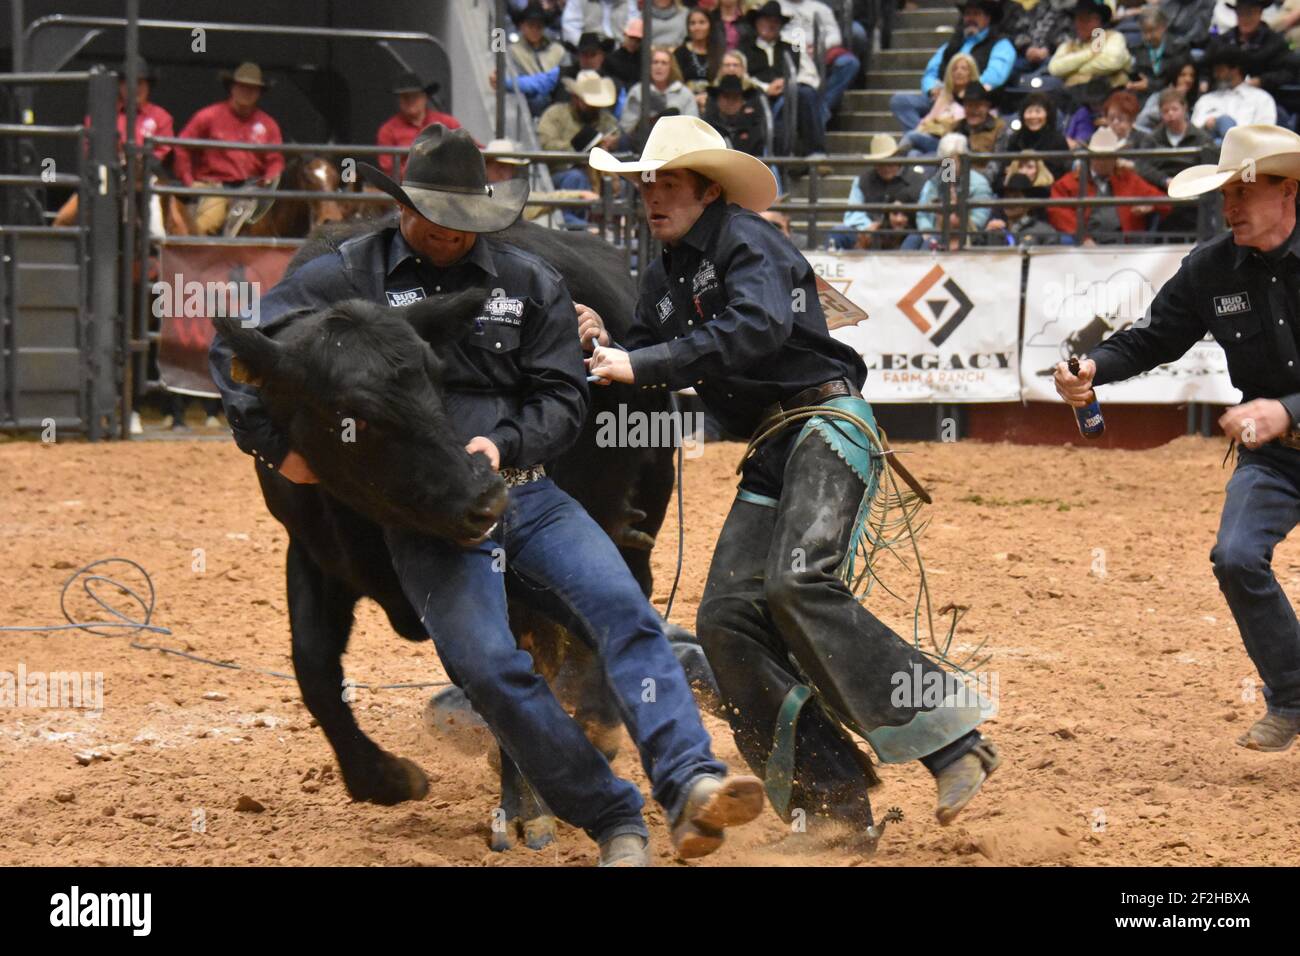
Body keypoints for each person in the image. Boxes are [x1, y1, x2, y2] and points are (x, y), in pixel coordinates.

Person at [208, 124, 766, 867]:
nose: (449, 237)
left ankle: (690, 779)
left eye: (465, 222)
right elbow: (240, 349)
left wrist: (507, 444)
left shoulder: (527, 280)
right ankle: (610, 812)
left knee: (625, 615)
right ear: (400, 207)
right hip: (426, 517)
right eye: (434, 220)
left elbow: (564, 394)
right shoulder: (346, 275)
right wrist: (278, 450)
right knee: (492, 668)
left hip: (530, 492)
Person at [584, 115, 1002, 843]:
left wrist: (641, 364)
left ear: (708, 190)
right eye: (645, 183)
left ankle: (952, 740)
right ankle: (833, 800)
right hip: (777, 444)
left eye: (668, 182)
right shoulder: (665, 274)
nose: (652, 196)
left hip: (825, 423)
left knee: (796, 583)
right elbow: (648, 351)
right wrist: (602, 342)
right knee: (724, 623)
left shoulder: (751, 242)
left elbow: (754, 330)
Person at [1055, 124, 1300, 753]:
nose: (1231, 205)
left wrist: (1288, 409)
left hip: (1275, 431)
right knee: (1236, 557)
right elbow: (1153, 337)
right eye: (1226, 193)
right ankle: (1294, 695)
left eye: (1245, 190)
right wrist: (1094, 368)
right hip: (1275, 457)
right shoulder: (1211, 267)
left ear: (1289, 190)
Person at [173, 62, 284, 237]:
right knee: (207, 223)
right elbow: (182, 146)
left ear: (259, 93)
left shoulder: (268, 124)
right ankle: (198, 257)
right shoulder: (208, 116)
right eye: (242, 87)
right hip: (216, 186)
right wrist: (189, 181)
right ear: (232, 88)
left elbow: (275, 159)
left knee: (271, 221)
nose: (246, 92)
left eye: (253, 89)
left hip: (252, 187)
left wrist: (271, 178)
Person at [890, 0, 1016, 134]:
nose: (970, 18)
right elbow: (931, 72)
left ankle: (918, 138)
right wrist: (932, 89)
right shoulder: (953, 44)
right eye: (967, 14)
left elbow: (994, 76)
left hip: (971, 103)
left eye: (976, 14)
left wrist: (964, 92)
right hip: (942, 98)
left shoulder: (1001, 44)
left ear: (988, 18)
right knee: (900, 101)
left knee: (914, 152)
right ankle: (926, 135)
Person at [1047, 127, 1169, 242]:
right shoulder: (1070, 182)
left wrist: (1152, 205)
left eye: (1109, 157)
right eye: (1099, 157)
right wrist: (1083, 237)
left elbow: (1164, 201)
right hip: (1085, 245)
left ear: (1116, 158)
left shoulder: (1129, 179)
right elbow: (1056, 210)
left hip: (1126, 247)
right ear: (1091, 158)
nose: (1104, 162)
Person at [742, 1, 828, 158]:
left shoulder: (793, 47)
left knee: (807, 94)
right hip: (756, 96)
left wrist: (788, 83)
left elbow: (810, 75)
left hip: (789, 97)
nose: (770, 24)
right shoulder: (744, 48)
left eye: (775, 21)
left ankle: (816, 152)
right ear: (756, 23)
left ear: (781, 25)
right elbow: (740, 76)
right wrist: (766, 88)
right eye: (765, 20)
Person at [1131, 87, 1216, 233]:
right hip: (1163, 194)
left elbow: (1212, 166)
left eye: (1174, 109)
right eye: (1165, 111)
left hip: (1194, 195)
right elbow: (1142, 166)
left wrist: (1191, 183)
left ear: (1184, 108)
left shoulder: (1202, 138)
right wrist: (1164, 179)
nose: (1170, 114)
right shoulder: (1152, 139)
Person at [829, 133, 924, 248]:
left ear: (897, 157)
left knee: (915, 238)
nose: (885, 167)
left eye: (889, 162)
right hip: (869, 233)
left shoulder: (917, 180)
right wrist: (868, 227)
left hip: (904, 233)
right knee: (839, 232)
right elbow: (852, 214)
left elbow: (923, 216)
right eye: (880, 163)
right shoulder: (862, 181)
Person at [780, 0, 863, 124]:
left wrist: (819, 46)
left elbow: (835, 35)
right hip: (789, 51)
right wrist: (798, 47)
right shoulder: (777, 6)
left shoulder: (820, 8)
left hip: (819, 50)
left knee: (849, 63)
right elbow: (774, 33)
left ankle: (820, 110)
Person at [914, 132, 995, 248]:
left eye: (953, 160)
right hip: (934, 232)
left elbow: (979, 218)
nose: (949, 166)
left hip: (965, 233)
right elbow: (922, 213)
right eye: (945, 161)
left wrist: (955, 225)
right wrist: (927, 231)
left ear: (962, 160)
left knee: (933, 243)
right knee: (914, 239)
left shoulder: (979, 183)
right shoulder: (933, 182)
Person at [375, 73, 462, 178]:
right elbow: (388, 169)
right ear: (399, 100)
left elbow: (472, 152)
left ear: (425, 97)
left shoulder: (449, 123)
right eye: (405, 97)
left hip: (446, 186)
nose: (410, 101)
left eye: (415, 96)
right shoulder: (387, 131)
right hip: (407, 189)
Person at [1206, 0, 1297, 98]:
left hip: (1265, 98)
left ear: (1260, 13)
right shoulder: (1222, 42)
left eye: (1251, 13)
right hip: (1222, 96)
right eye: (1242, 13)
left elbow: (1289, 72)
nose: (1246, 19)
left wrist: (1261, 81)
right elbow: (1206, 67)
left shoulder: (1275, 43)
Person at [499, 1, 571, 116]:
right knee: (537, 99)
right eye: (531, 26)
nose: (535, 30)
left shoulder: (557, 50)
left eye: (539, 27)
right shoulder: (513, 51)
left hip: (558, 96)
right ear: (522, 26)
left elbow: (566, 77)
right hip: (532, 99)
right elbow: (515, 77)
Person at [1192, 47, 1278, 143]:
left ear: (1235, 70)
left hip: (1248, 150)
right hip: (1210, 149)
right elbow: (1193, 129)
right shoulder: (1206, 100)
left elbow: (1266, 133)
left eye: (1220, 70)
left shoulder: (1261, 99)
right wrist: (1207, 124)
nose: (1215, 75)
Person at [1047, 0, 1133, 95]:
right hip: (1074, 96)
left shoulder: (1114, 37)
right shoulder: (1068, 45)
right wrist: (1090, 53)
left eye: (1085, 20)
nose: (1080, 25)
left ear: (1098, 20)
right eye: (1077, 19)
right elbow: (1054, 68)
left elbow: (1113, 61)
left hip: (1109, 93)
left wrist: (1072, 71)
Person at [899, 53, 976, 156]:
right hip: (935, 140)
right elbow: (928, 120)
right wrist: (923, 128)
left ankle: (895, 159)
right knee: (914, 154)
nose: (959, 72)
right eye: (955, 69)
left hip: (956, 144)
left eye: (964, 69)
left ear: (971, 73)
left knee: (911, 136)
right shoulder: (944, 96)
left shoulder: (976, 96)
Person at [621, 46, 701, 135]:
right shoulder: (637, 91)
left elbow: (693, 128)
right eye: (655, 62)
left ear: (671, 67)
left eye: (664, 63)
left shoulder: (685, 94)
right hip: (642, 142)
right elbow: (627, 127)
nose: (659, 67)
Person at [994, 90, 1072, 179]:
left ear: (1048, 115)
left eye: (1038, 112)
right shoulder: (1015, 139)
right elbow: (1005, 169)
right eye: (1029, 112)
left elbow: (1061, 173)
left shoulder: (1058, 140)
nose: (1033, 116)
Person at [1003, 0, 1075, 86]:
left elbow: (1073, 38)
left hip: (1053, 58)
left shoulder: (1077, 10)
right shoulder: (1041, 5)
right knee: (1003, 67)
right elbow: (1020, 28)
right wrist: (1027, 48)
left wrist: (1048, 49)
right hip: (1025, 54)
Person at [981, 171, 1061, 244]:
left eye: (1016, 197)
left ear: (1029, 203)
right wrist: (985, 234)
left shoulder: (1044, 232)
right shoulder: (994, 230)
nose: (1010, 202)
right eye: (1007, 197)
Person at [1128, 7, 1190, 97]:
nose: (1148, 37)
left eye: (1152, 31)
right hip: (1143, 98)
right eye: (1144, 32)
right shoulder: (1136, 49)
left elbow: (1179, 80)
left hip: (1173, 97)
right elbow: (1135, 76)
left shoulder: (1179, 48)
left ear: (1163, 27)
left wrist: (1150, 85)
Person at [703, 74, 769, 155]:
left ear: (742, 101)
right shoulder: (707, 127)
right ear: (718, 99)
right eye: (726, 97)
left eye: (735, 97)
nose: (731, 102)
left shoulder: (753, 127)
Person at [676, 8, 725, 109]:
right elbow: (676, 83)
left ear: (710, 25)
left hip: (713, 102)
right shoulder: (680, 52)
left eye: (702, 22)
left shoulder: (719, 53)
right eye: (692, 23)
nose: (697, 27)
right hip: (685, 102)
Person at [562, 0, 637, 45]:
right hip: (587, 53)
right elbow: (571, 29)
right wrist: (585, 49)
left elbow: (633, 28)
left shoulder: (629, 2)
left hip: (620, 55)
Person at [604, 17, 644, 89]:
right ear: (625, 35)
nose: (634, 43)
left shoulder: (644, 60)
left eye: (638, 40)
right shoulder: (611, 59)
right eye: (631, 38)